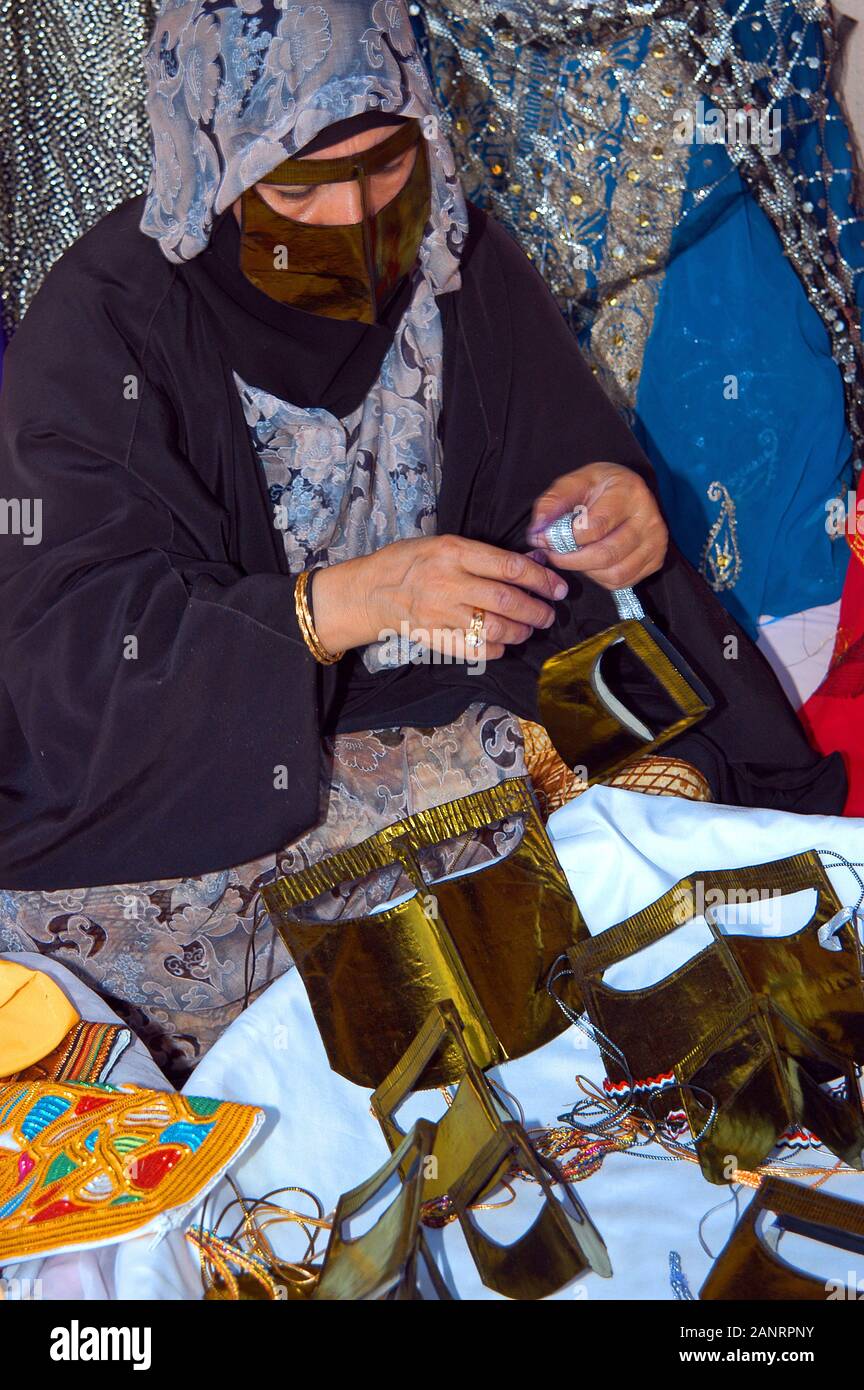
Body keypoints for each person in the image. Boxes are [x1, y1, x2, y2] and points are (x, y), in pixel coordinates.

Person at [0, 0, 844, 1080]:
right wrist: (342, 602)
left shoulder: (453, 262)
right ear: (208, 158)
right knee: (130, 936)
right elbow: (73, 654)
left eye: (386, 166)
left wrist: (604, 516)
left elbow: (552, 503)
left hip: (439, 710)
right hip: (187, 775)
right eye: (298, 186)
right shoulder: (108, 317)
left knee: (647, 791)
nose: (353, 221)